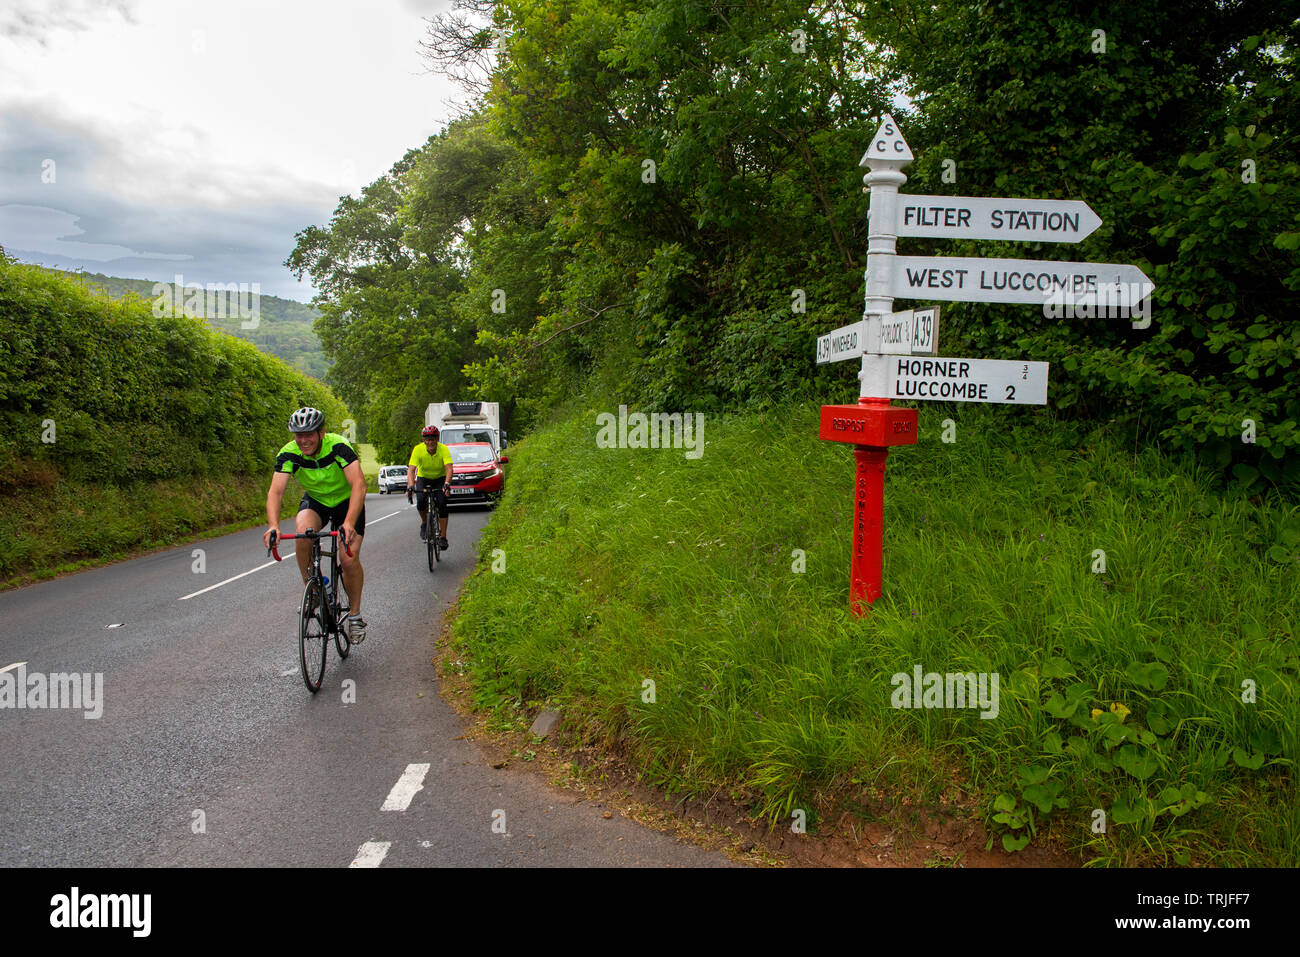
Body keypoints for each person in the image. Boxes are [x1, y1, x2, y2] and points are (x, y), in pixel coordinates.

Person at [263, 407, 369, 642]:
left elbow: (359, 485)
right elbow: (276, 492)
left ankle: (355, 616)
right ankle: (313, 590)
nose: (303, 440)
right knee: (303, 534)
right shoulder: (289, 453)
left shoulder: (338, 446)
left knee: (348, 558)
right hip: (317, 500)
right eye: (298, 435)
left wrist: (349, 522)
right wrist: (273, 526)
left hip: (346, 501)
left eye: (309, 434)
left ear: (321, 433)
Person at [407, 424, 453, 550]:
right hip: (424, 478)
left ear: (437, 439)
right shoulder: (418, 449)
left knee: (442, 503)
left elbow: (449, 468)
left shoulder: (443, 449)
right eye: (427, 439)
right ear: (424, 440)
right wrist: (411, 485)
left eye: (433, 439)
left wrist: (447, 484)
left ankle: (443, 537)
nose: (430, 442)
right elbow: (411, 470)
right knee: (421, 501)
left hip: (440, 478)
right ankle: (424, 522)